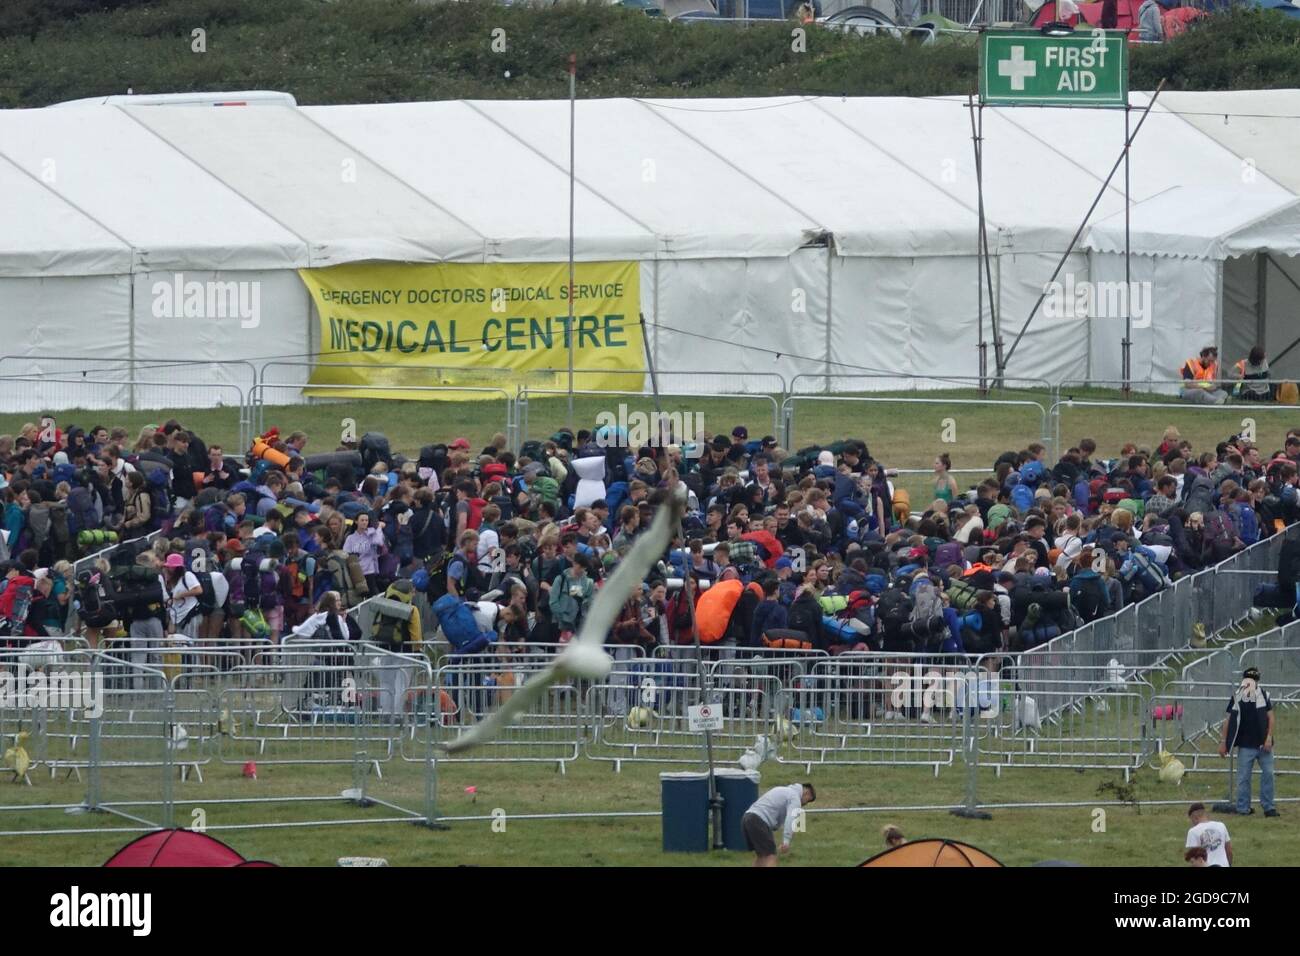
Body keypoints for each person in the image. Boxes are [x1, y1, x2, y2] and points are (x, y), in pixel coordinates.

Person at [1219, 666, 1278, 816]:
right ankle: (1243, 808)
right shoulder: (1237, 696)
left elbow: (1270, 717)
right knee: (1243, 778)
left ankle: (1269, 807)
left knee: (1268, 774)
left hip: (1264, 744)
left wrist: (1269, 737)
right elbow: (1228, 719)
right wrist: (1223, 741)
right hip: (1245, 745)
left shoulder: (1264, 695)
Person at [742, 782, 815, 867]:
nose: (805, 804)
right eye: (808, 800)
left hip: (747, 818)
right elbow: (790, 819)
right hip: (759, 820)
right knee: (771, 856)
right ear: (807, 793)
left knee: (762, 856)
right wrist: (786, 841)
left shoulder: (780, 789)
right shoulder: (795, 797)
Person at [1184, 803, 1231, 867]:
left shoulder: (1193, 831)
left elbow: (1194, 858)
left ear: (1194, 817)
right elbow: (1229, 850)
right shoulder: (1221, 825)